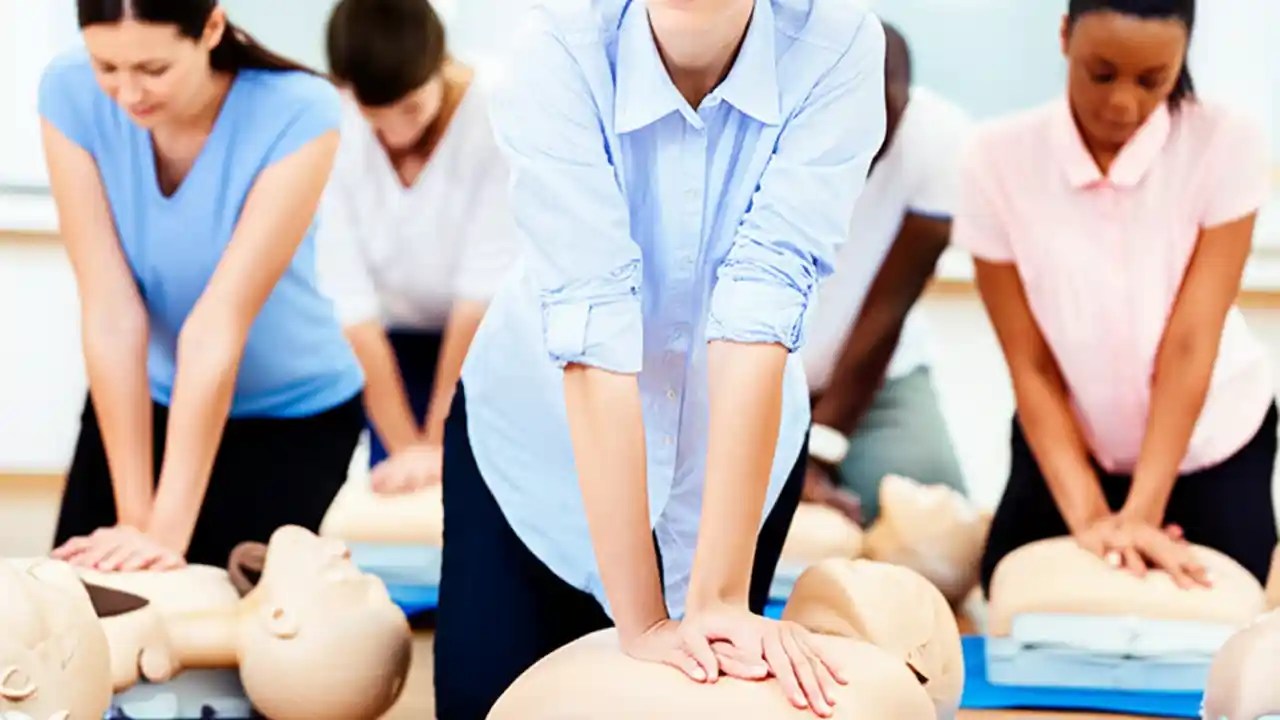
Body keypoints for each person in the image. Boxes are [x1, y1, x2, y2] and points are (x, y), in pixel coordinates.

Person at [433, 0, 887, 718]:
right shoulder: (557, 41)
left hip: (734, 449)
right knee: (487, 701)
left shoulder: (837, 44)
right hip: (543, 445)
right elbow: (594, 328)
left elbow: (761, 308)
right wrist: (642, 620)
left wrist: (719, 598)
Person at [953, 0, 1277, 594]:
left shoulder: (1227, 141)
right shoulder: (994, 158)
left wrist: (1140, 515)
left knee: (1227, 603)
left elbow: (1190, 341)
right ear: (1063, 38)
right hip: (1067, 435)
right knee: (1008, 584)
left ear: (1182, 60)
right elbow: (1029, 359)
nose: (1123, 103)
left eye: (1154, 80)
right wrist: (1091, 517)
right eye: (1101, 74)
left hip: (1210, 439)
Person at [40, 1, 365, 573]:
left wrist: (163, 537)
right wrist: (134, 521)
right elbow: (112, 311)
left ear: (211, 28)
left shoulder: (299, 110)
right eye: (106, 67)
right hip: (149, 397)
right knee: (83, 606)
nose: (128, 93)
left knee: (215, 638)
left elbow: (218, 323)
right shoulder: (68, 92)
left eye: (153, 70)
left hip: (289, 419)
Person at [320, 0, 518, 495]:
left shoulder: (495, 114)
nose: (397, 133)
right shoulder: (330, 124)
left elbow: (480, 295)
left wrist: (438, 446)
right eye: (375, 117)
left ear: (442, 68)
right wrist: (411, 449)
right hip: (389, 343)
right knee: (396, 483)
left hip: (484, 337)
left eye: (410, 108)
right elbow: (352, 310)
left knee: (475, 485)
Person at [800, 23, 972, 525]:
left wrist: (818, 452)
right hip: (741, 375)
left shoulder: (939, 140)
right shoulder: (759, 127)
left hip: (880, 381)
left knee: (937, 535)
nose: (868, 134)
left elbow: (886, 313)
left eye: (885, 115)